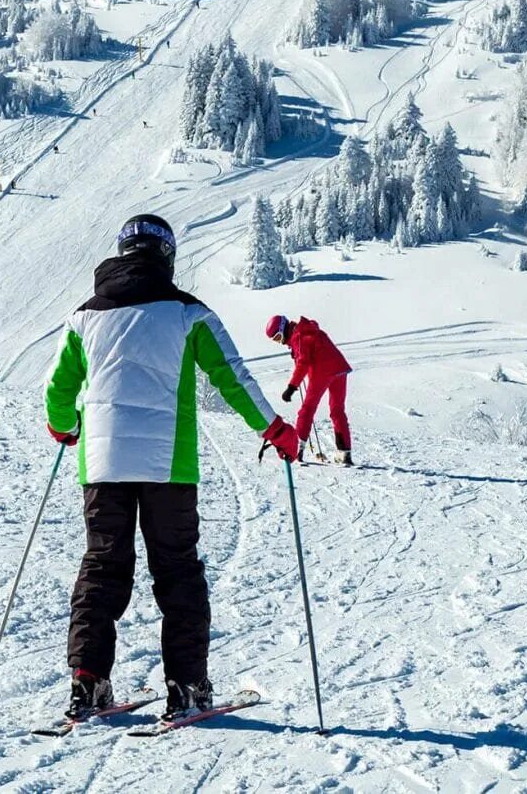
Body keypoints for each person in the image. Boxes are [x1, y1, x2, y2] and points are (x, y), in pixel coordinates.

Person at [45, 213, 300, 723]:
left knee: (102, 565)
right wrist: (273, 428)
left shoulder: (83, 317)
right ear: (166, 257)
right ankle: (186, 687)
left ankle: (88, 683)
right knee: (177, 569)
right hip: (169, 465)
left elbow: (57, 388)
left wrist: (64, 427)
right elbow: (232, 378)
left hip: (101, 463)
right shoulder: (187, 313)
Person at [266, 314, 353, 465]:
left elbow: (303, 364)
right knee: (337, 410)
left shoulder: (298, 337)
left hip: (323, 371)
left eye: (278, 337)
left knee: (307, 409)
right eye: (275, 340)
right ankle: (344, 453)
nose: (280, 342)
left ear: (284, 328)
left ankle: (295, 451)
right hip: (339, 368)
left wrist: (291, 387)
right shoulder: (305, 330)